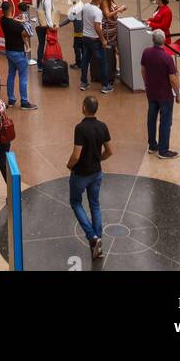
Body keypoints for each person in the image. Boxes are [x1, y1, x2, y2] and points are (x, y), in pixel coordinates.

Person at [67, 94, 112, 259]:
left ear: (84, 108)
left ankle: (92, 236)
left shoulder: (80, 128)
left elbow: (76, 155)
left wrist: (69, 165)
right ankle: (98, 240)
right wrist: (97, 158)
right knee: (95, 205)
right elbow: (109, 151)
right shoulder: (103, 126)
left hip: (80, 174)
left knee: (76, 202)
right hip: (96, 173)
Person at [141, 28, 180, 159]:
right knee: (165, 121)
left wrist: (146, 83)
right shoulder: (167, 58)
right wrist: (178, 94)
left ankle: (152, 145)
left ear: (153, 40)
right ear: (164, 40)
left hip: (151, 92)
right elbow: (173, 79)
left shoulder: (146, 52)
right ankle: (163, 150)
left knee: (151, 118)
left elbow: (143, 69)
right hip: (165, 95)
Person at [0, 0, 37, 109]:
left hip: (9, 51)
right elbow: (28, 34)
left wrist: (18, 20)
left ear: (2, 10)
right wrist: (25, 22)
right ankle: (24, 102)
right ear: (11, 9)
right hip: (19, 53)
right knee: (23, 77)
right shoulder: (17, 25)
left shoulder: (3, 21)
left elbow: (10, 19)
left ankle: (11, 100)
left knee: (11, 74)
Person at [79, 0, 113, 94]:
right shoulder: (97, 12)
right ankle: (105, 85)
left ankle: (84, 83)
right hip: (95, 40)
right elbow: (98, 27)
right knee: (102, 62)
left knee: (85, 60)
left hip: (85, 37)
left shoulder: (85, 6)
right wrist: (103, 40)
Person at [59, 0, 85, 68]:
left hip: (80, 31)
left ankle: (80, 63)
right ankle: (83, 62)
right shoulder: (79, 5)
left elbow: (69, 19)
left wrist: (59, 25)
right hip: (80, 30)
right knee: (81, 48)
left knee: (77, 47)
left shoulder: (77, 7)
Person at [35, 0, 57, 71]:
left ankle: (39, 64)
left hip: (39, 26)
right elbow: (48, 13)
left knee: (41, 45)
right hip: (45, 26)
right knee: (50, 43)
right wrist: (51, 26)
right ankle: (49, 61)